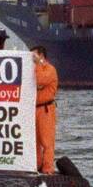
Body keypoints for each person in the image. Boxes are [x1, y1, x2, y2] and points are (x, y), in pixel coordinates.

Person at [32, 46, 58, 174]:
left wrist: (37, 64)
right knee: (34, 141)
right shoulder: (34, 69)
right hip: (33, 109)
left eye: (34, 55)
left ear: (41, 55)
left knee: (46, 141)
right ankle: (37, 166)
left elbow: (40, 80)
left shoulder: (50, 69)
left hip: (46, 109)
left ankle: (48, 169)